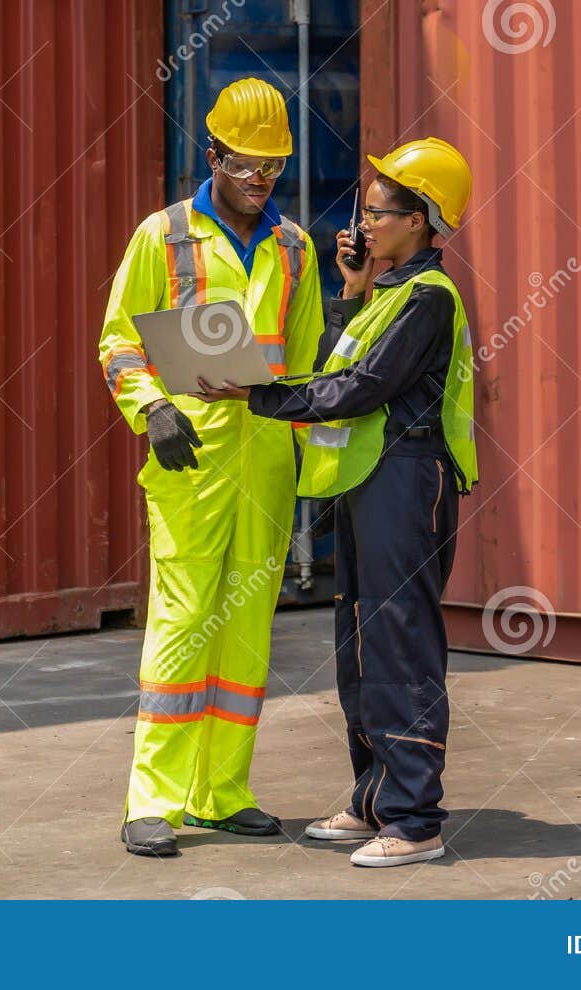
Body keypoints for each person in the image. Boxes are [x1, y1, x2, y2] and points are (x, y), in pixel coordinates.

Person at [196, 137, 478, 867]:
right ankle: (374, 797)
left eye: (378, 212)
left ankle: (414, 819)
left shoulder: (427, 298)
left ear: (419, 220)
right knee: (360, 641)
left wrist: (256, 394)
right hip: (369, 481)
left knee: (400, 645)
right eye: (365, 210)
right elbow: (336, 364)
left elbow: (359, 389)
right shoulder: (385, 296)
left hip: (408, 481)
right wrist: (351, 288)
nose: (363, 224)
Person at [97, 78, 325, 857]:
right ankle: (152, 800)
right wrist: (151, 410)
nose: (261, 177)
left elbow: (304, 363)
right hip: (190, 458)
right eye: (247, 163)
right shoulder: (162, 236)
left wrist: (309, 459)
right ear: (214, 155)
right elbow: (118, 340)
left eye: (274, 164)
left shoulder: (296, 248)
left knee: (248, 630)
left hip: (266, 461)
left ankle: (222, 793)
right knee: (183, 621)